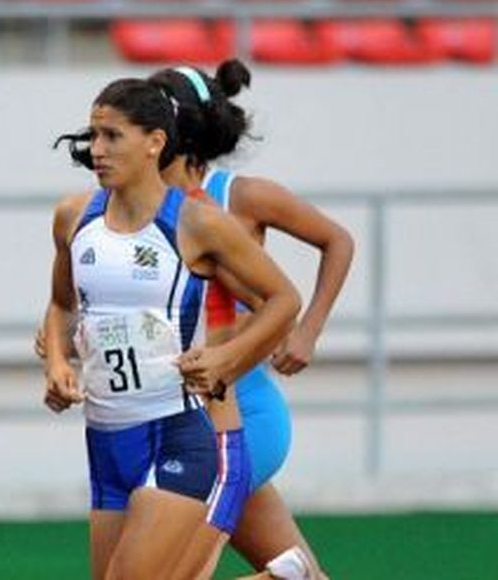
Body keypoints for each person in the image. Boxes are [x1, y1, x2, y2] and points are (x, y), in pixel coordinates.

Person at [42, 77, 301, 579]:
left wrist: (230, 358)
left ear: (154, 142)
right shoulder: (73, 217)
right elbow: (59, 305)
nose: (96, 150)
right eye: (92, 136)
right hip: (105, 437)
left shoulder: (197, 223)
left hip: (176, 434)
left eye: (112, 137)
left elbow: (283, 300)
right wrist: (56, 361)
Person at [150, 62, 353, 580]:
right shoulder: (141, 208)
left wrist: (307, 331)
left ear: (173, 130)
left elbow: (335, 242)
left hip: (242, 412)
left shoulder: (239, 198)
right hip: (176, 417)